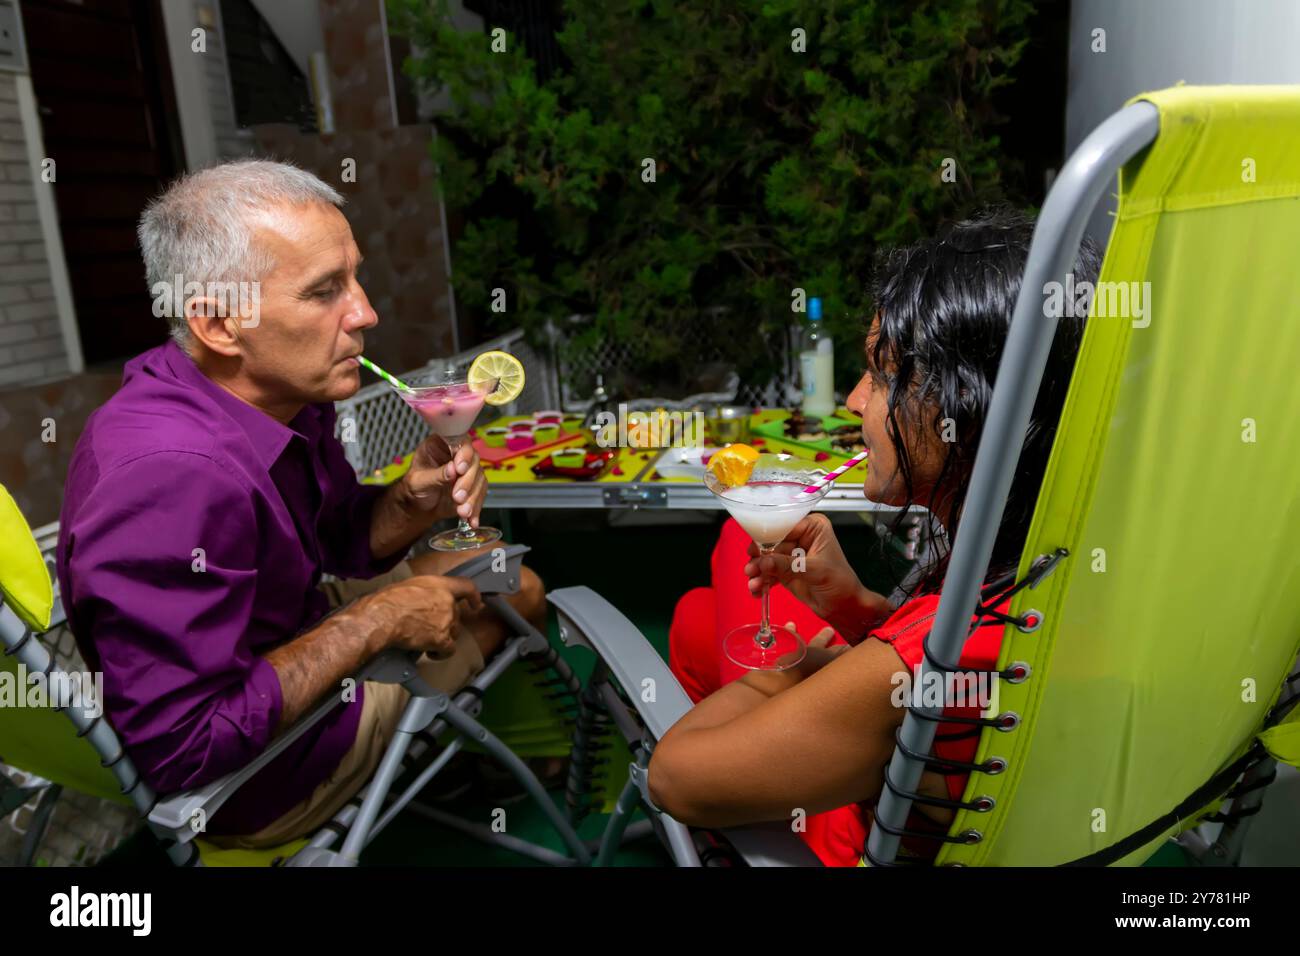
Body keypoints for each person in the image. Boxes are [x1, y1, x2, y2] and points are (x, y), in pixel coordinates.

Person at [55, 159, 545, 848]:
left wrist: (410, 499)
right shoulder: (168, 480)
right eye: (324, 292)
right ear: (222, 326)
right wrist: (379, 620)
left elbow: (339, 541)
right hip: (265, 774)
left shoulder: (271, 392)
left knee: (486, 557)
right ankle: (493, 769)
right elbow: (187, 746)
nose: (366, 313)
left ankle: (457, 752)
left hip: (289, 631)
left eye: (354, 276)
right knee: (518, 591)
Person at [649, 207, 1102, 865]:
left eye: (883, 375)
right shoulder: (1056, 558)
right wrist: (855, 610)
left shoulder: (921, 659)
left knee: (730, 557)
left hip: (856, 842)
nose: (856, 401)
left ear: (969, 412)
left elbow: (674, 777)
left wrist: (808, 666)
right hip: (956, 754)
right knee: (697, 617)